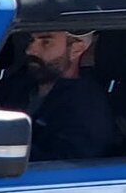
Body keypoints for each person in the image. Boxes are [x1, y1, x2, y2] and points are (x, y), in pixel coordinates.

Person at [21, 30, 115, 161]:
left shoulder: (87, 109)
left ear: (76, 50)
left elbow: (66, 168)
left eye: (46, 42)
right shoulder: (20, 84)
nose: (30, 50)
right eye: (31, 41)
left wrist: (6, 135)